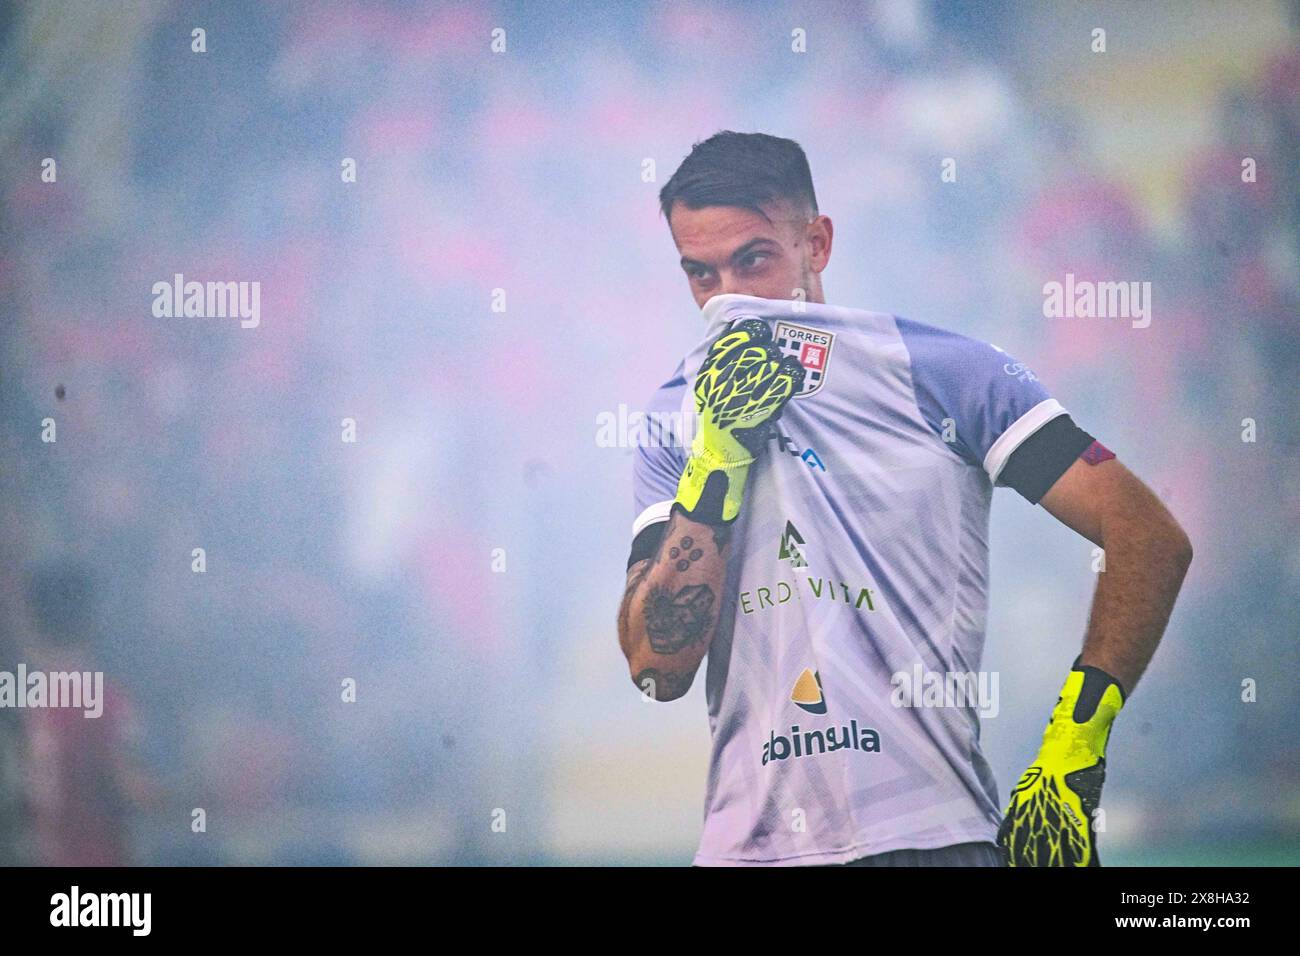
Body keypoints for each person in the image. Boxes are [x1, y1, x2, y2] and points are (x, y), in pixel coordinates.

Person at [615, 131, 1192, 867]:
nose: (726, 296)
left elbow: (1146, 532)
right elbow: (656, 668)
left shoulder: (944, 371)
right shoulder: (676, 416)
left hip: (934, 838)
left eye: (752, 259)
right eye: (701, 273)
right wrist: (716, 463)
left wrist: (1074, 751)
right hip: (750, 850)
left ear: (816, 244)